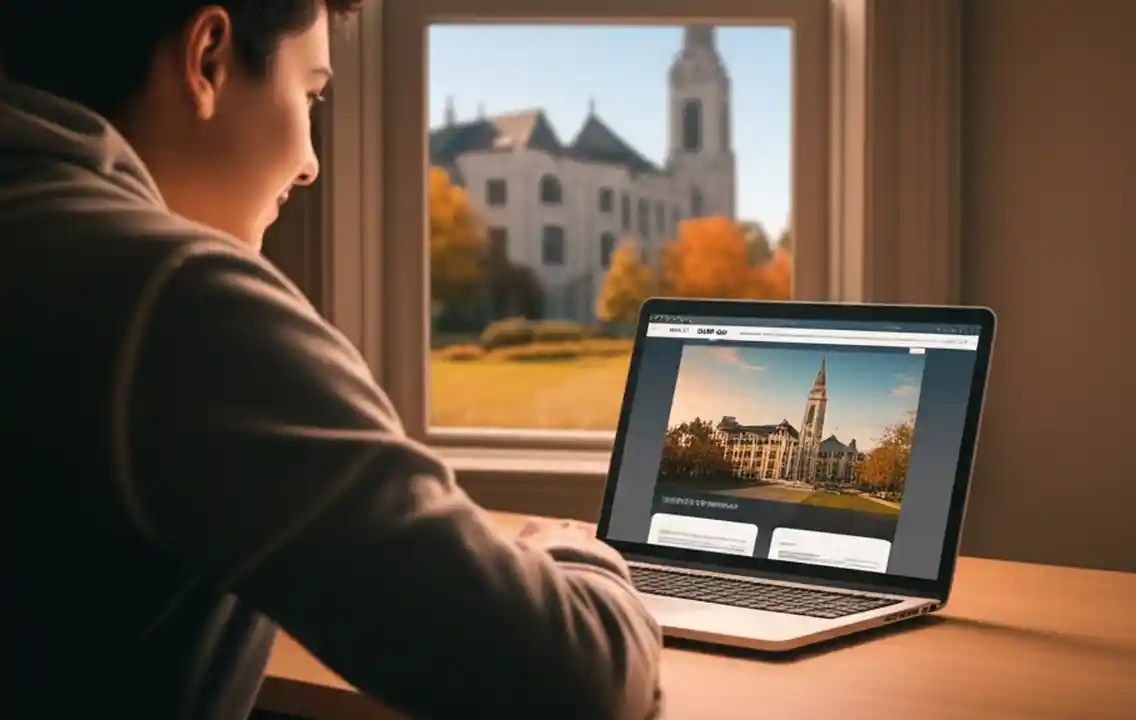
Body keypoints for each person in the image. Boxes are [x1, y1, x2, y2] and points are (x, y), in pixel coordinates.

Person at [0, 2, 664, 718]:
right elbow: (576, 683)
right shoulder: (168, 296)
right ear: (207, 59)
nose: (311, 164)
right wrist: (577, 554)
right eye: (309, 93)